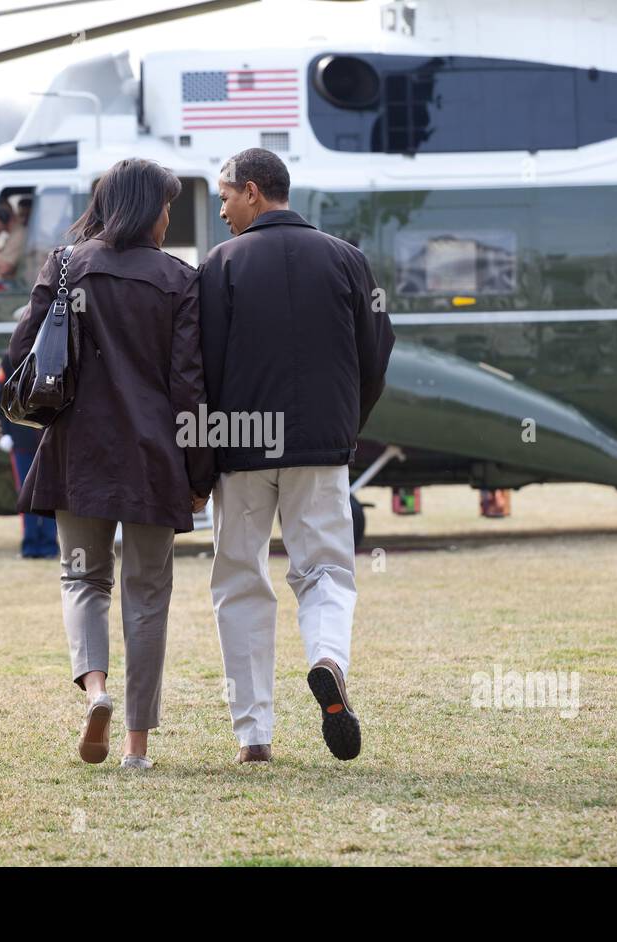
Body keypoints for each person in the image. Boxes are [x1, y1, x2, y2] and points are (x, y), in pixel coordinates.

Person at [5, 158, 215, 770]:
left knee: (82, 580)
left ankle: (95, 691)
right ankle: (136, 748)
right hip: (154, 459)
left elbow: (22, 354)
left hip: (77, 456)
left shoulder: (66, 265)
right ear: (151, 209)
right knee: (148, 595)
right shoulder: (180, 279)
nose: (168, 216)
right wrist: (198, 474)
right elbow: (190, 387)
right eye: (167, 205)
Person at [198, 148, 395, 764]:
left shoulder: (221, 264)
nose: (222, 209)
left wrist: (203, 452)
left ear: (253, 192)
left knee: (240, 583)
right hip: (322, 444)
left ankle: (254, 735)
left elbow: (201, 366)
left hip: (240, 447)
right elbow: (376, 352)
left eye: (226, 196)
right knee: (327, 571)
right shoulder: (348, 260)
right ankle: (328, 660)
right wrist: (344, 427)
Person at [0, 354, 58, 558]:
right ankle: (30, 544)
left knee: (50, 493)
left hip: (50, 437)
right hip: (22, 438)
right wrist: (3, 432)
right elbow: (1, 399)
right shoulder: (10, 358)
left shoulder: (56, 353)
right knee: (25, 493)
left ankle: (49, 544)